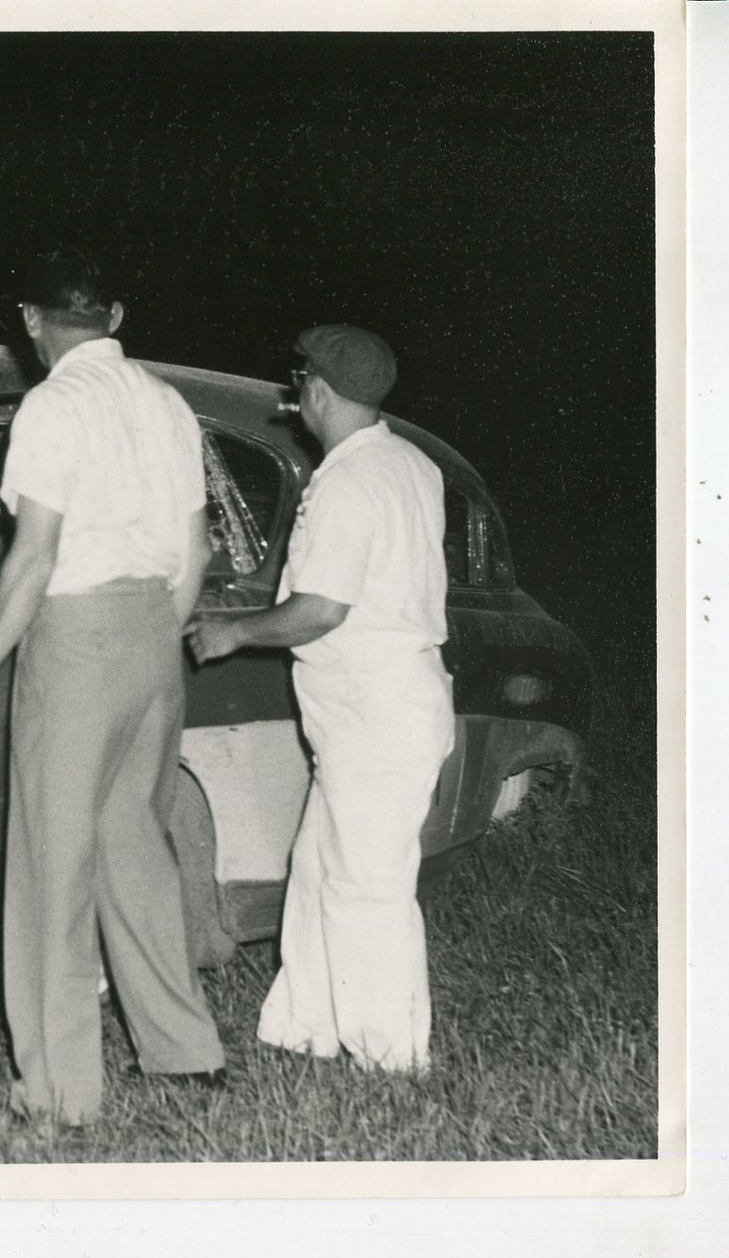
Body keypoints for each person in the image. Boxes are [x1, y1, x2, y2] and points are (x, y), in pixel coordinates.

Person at [0, 248, 226, 1130]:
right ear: (114, 315)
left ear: (33, 321)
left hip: (78, 636)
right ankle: (185, 1055)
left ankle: (56, 1096)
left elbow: (33, 557)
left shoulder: (53, 405)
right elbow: (197, 553)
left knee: (48, 869)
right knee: (136, 848)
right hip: (154, 628)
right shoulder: (166, 402)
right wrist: (154, 630)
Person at [186, 324, 453, 1074]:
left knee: (367, 882)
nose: (295, 393)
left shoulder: (349, 481)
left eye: (301, 380)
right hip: (380, 701)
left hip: (374, 704)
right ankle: (306, 1025)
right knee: (318, 867)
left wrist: (234, 632)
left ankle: (388, 1056)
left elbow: (320, 609)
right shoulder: (411, 463)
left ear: (322, 391)